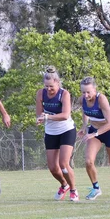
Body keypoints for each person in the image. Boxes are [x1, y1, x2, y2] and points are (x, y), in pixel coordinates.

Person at [36, 67, 78, 201]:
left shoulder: (64, 94)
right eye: (46, 86)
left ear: (58, 83)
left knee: (64, 164)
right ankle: (64, 185)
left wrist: (47, 117)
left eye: (51, 86)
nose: (48, 89)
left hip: (66, 130)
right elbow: (39, 113)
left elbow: (65, 115)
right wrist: (40, 119)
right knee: (53, 168)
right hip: (51, 132)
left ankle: (73, 190)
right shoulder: (40, 94)